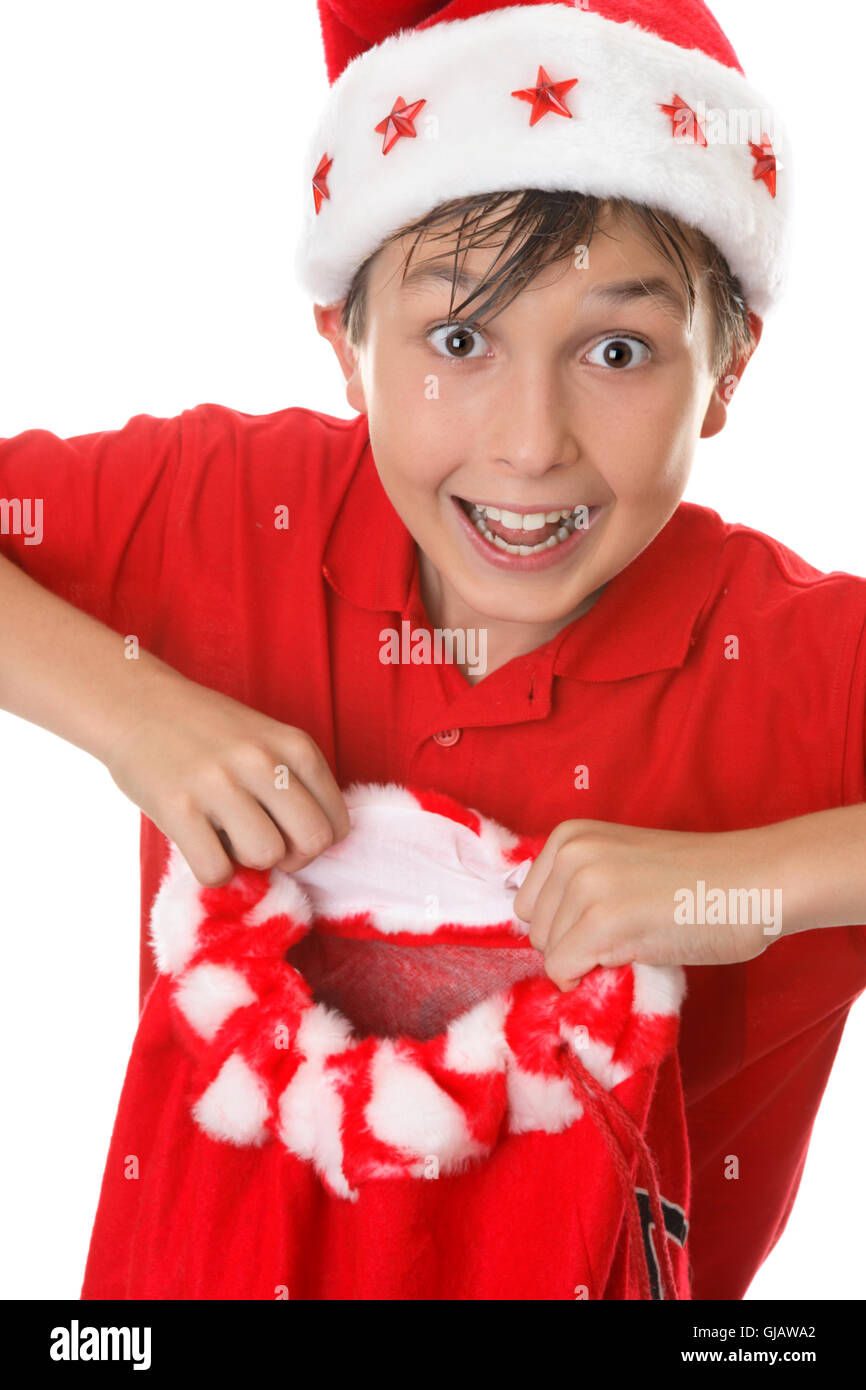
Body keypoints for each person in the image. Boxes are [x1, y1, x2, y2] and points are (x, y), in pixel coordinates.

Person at [1, 0, 864, 1299]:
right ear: (344, 345)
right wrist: (134, 711)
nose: (528, 444)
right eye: (456, 341)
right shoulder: (225, 511)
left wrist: (754, 881)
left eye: (617, 349)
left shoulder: (803, 664)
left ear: (728, 371)